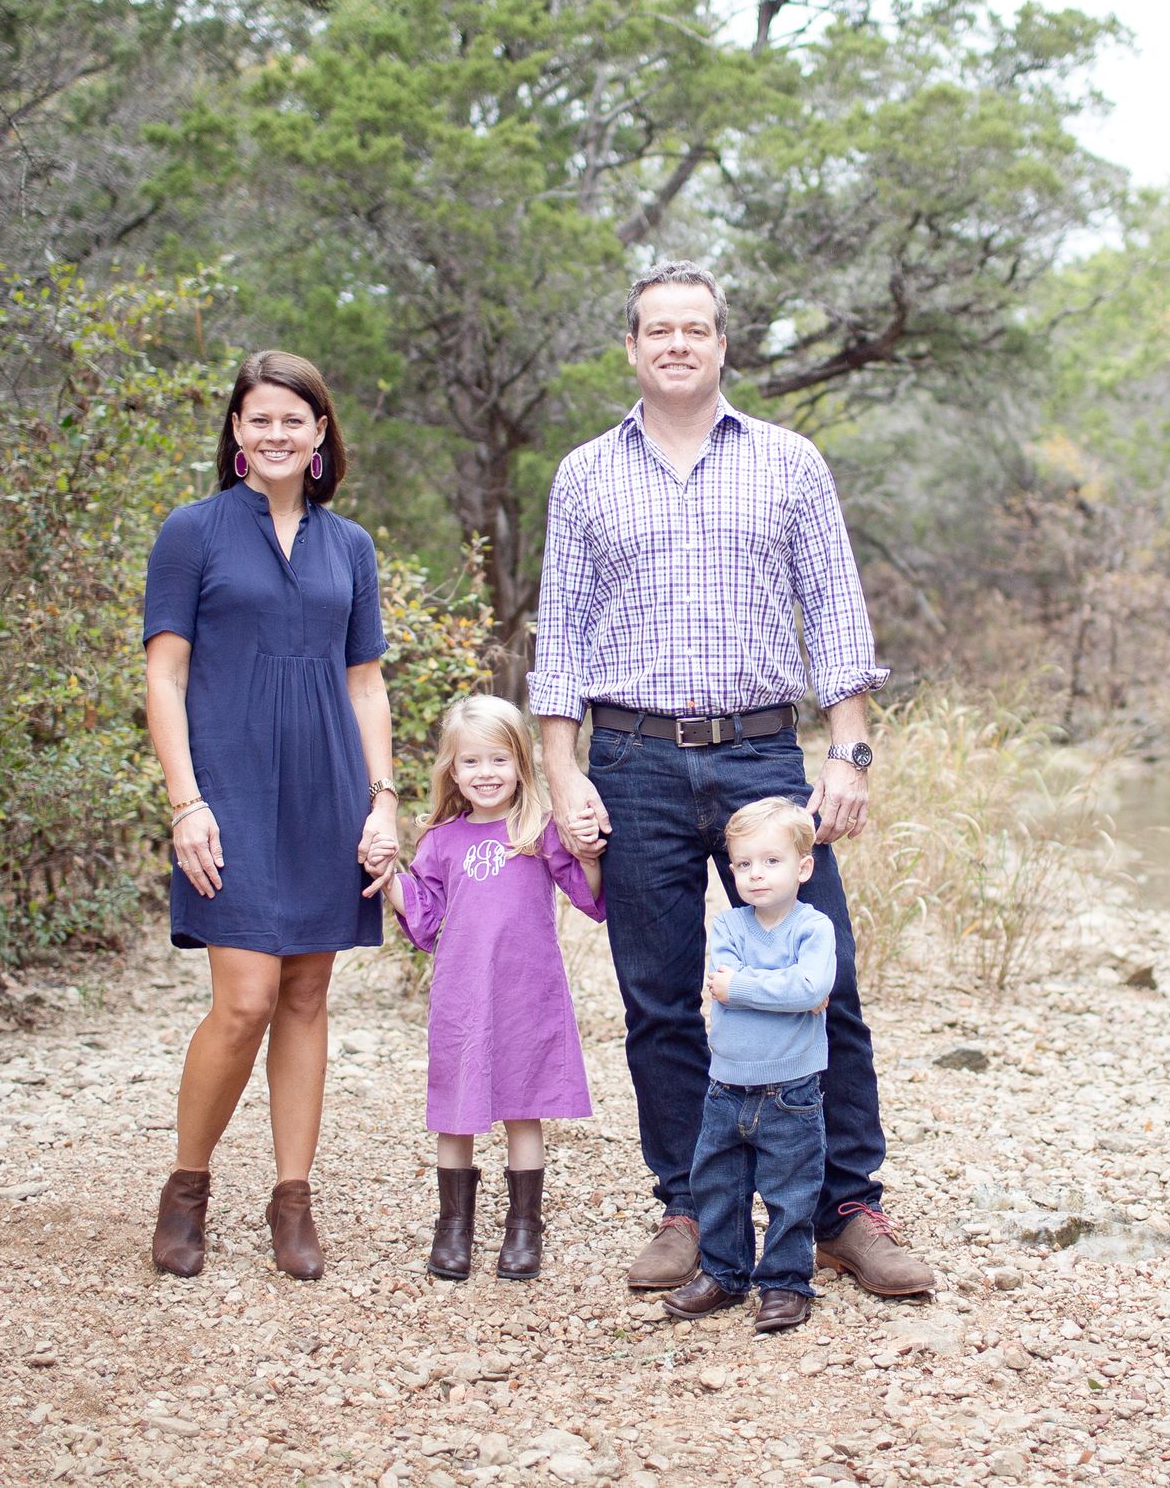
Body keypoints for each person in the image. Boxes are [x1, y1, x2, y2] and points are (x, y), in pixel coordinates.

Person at [529, 259, 935, 1299]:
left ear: (721, 344)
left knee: (825, 979)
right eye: (656, 329)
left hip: (760, 751)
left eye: (694, 328)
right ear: (630, 347)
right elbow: (561, 638)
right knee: (658, 999)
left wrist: (847, 751)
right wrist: (562, 770)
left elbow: (835, 612)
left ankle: (848, 1207)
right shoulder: (583, 474)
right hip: (630, 758)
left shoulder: (790, 463)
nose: (676, 343)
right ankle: (692, 1208)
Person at [141, 350, 401, 1282]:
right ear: (237, 432)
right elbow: (164, 675)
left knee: (304, 995)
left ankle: (293, 1198)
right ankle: (187, 1184)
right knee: (244, 998)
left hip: (329, 792)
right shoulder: (193, 532)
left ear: (322, 431)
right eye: (260, 419)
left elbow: (364, 686)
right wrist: (186, 802)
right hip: (232, 790)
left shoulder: (351, 547)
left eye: (296, 418)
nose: (278, 433)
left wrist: (383, 802)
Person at [383, 695, 604, 1281]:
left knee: (522, 1109)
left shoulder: (538, 829)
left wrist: (590, 851)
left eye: (499, 760)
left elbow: (588, 896)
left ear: (522, 764)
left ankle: (524, 1229)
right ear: (452, 772)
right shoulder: (439, 841)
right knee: (455, 1112)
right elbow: (426, 923)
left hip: (527, 994)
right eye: (472, 763)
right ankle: (452, 1228)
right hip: (462, 995)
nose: (486, 774)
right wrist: (390, 879)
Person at [662, 798, 835, 1333]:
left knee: (790, 1189)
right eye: (743, 865)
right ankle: (723, 1272)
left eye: (771, 861)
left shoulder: (814, 927)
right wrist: (780, 992)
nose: (756, 874)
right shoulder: (730, 926)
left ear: (803, 868)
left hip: (791, 1088)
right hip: (726, 1085)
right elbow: (725, 984)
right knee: (718, 1183)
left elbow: (813, 987)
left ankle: (784, 1283)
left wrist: (744, 988)